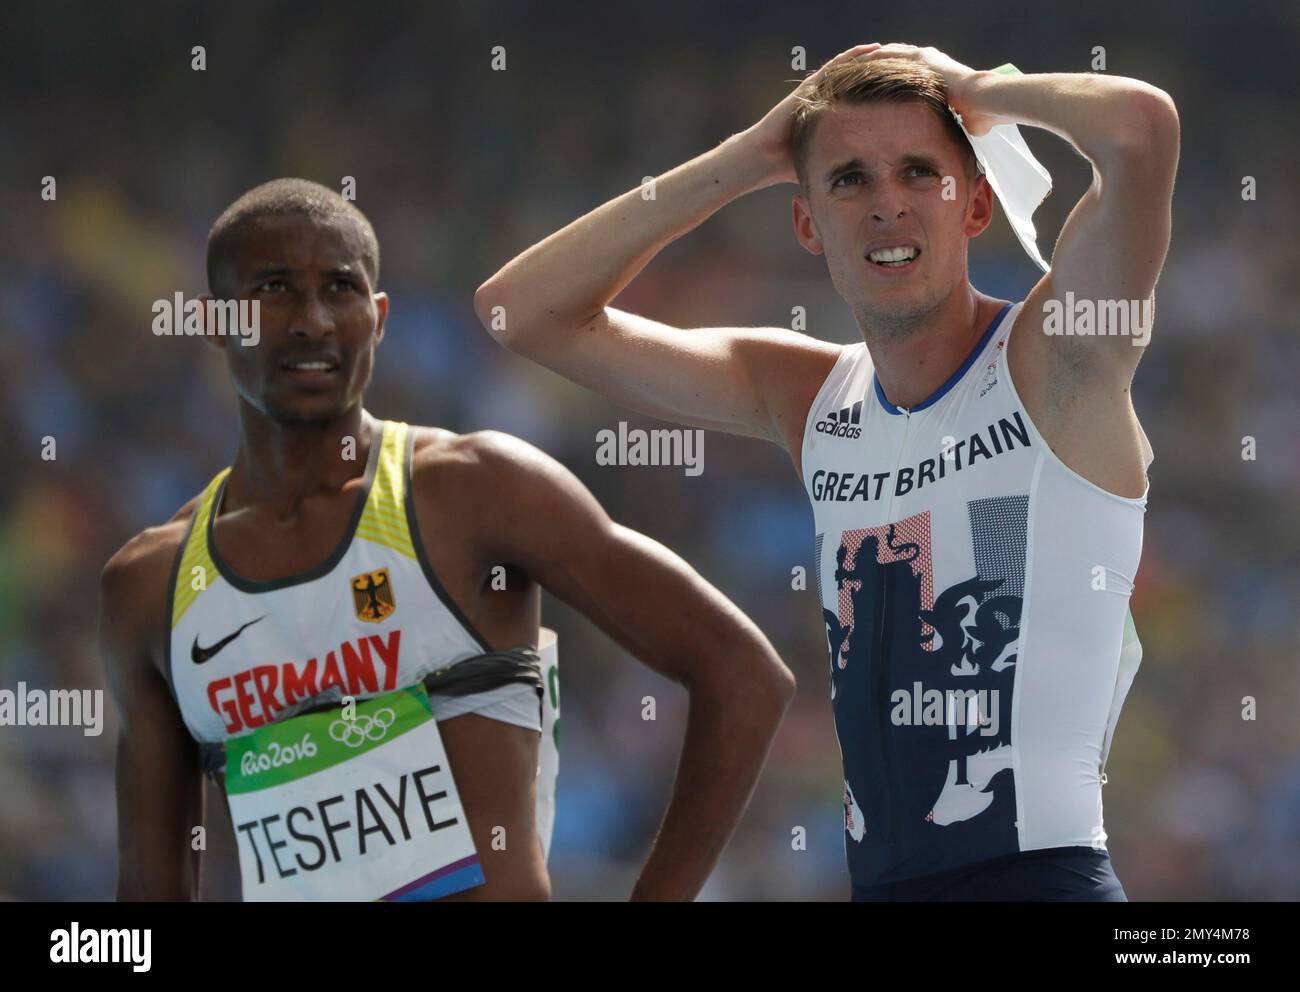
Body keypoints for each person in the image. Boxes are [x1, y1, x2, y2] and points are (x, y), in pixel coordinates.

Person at [473, 43, 1179, 900]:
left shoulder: (1060, 356)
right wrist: (749, 157)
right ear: (807, 222)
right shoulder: (805, 393)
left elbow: (1140, 127)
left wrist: (977, 92)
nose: (887, 205)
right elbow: (521, 312)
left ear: (977, 204)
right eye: (849, 180)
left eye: (920, 172)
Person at [99, 178, 795, 902]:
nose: (311, 320)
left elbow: (745, 673)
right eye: (274, 289)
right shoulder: (150, 584)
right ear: (216, 320)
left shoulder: (474, 490)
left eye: (339, 289)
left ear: (378, 318)